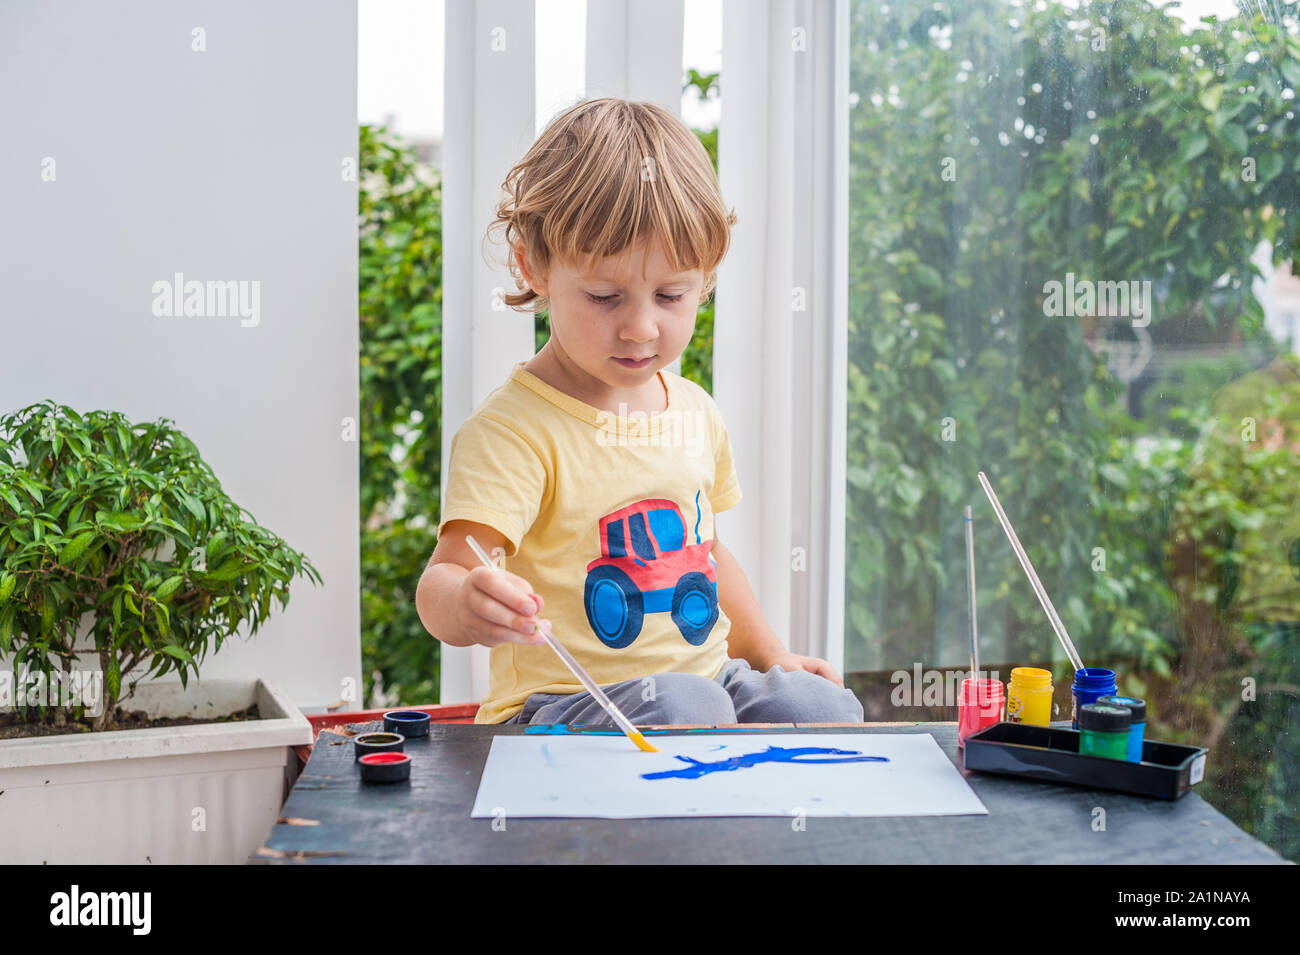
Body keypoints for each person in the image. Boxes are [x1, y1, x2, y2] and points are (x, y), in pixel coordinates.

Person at [415, 97, 863, 727]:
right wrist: (465, 601)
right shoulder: (513, 432)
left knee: (817, 706)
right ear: (533, 266)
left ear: (704, 278)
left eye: (672, 294)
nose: (640, 328)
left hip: (705, 687)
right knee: (689, 706)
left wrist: (771, 655)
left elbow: (706, 556)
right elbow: (447, 575)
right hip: (561, 707)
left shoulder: (694, 411)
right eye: (605, 296)